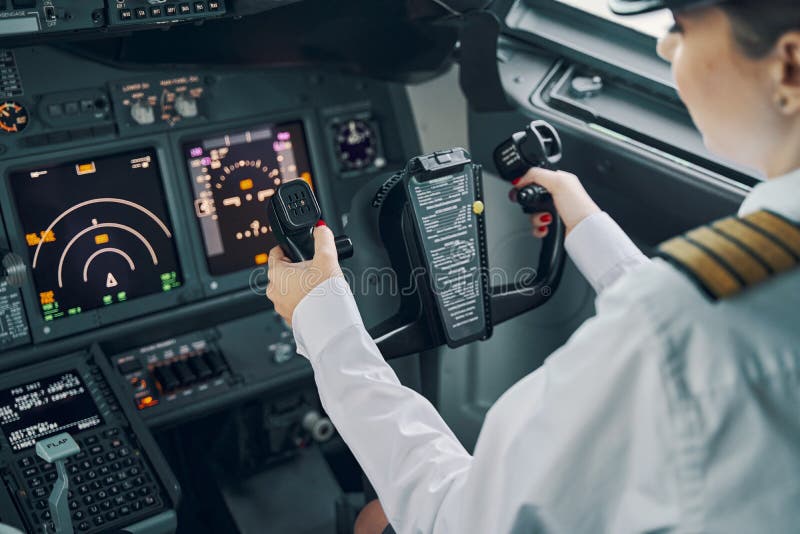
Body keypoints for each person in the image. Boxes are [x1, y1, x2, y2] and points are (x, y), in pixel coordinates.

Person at [266, 0, 800, 532]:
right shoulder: (728, 303)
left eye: (682, 26)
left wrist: (324, 321)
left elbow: (460, 519)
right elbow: (698, 323)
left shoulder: (673, 328)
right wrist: (588, 227)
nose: (664, 45)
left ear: (790, 66)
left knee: (373, 520)